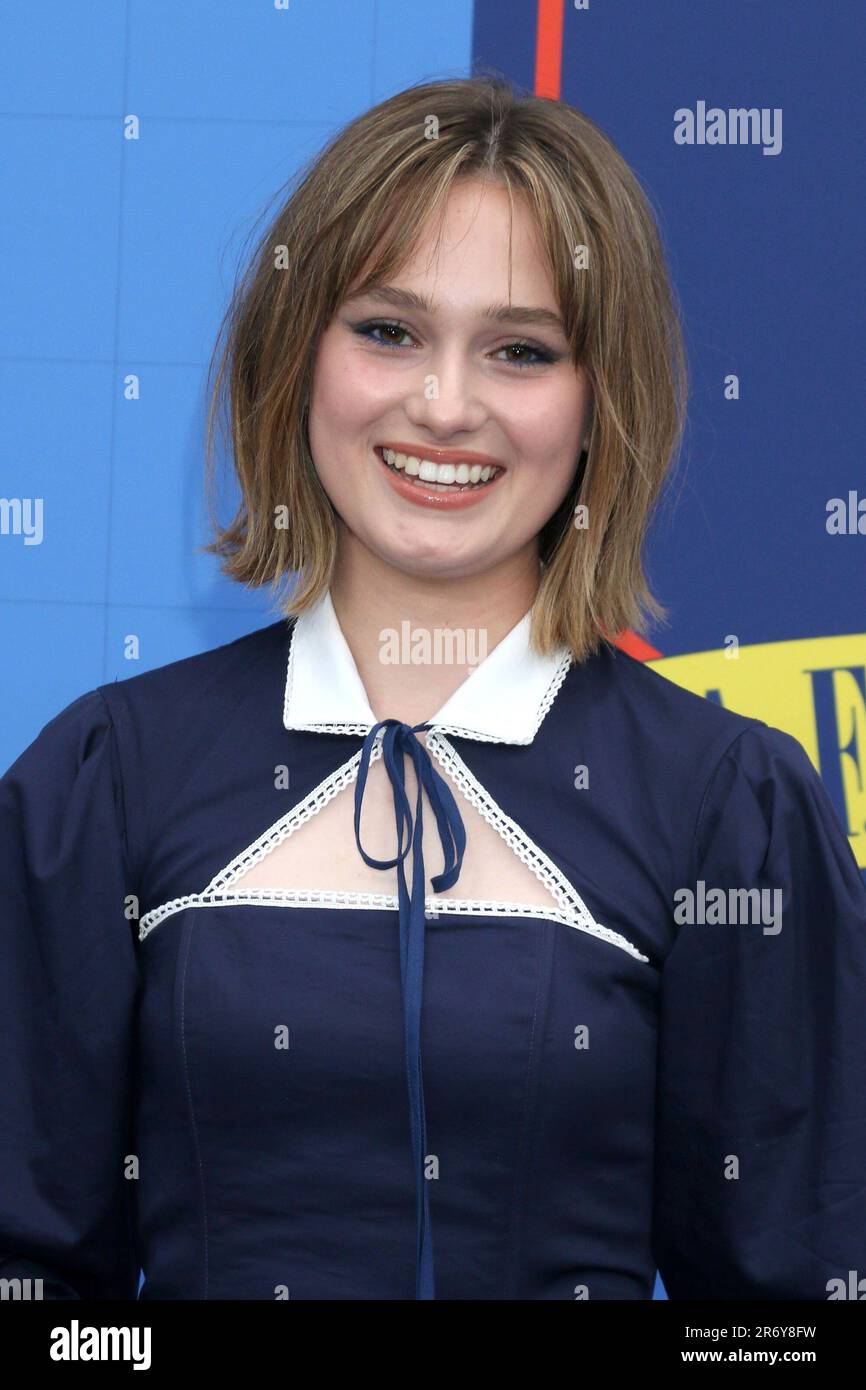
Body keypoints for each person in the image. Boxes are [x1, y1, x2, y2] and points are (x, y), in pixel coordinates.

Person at [1, 76, 864, 1302]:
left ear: (596, 406)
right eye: (387, 330)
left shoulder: (730, 810)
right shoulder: (105, 780)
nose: (444, 405)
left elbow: (792, 1311)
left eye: (520, 350)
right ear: (293, 355)